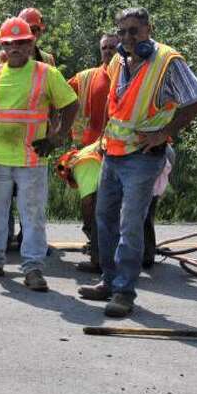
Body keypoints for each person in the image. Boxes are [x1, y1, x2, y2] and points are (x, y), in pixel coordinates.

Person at [78, 7, 197, 317]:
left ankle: (124, 292)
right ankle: (108, 281)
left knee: (130, 225)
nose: (127, 38)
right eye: (122, 32)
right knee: (104, 219)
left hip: (143, 157)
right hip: (113, 153)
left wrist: (165, 133)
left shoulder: (167, 61)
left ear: (149, 29)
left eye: (133, 31)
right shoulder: (119, 60)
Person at [0, 17, 77, 291]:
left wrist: (57, 136)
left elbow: (71, 103)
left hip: (31, 159)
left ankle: (33, 268)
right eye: (10, 43)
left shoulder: (46, 73)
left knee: (32, 215)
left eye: (22, 42)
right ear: (2, 45)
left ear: (32, 43)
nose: (15, 48)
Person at [59, 32, 117, 273]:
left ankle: (141, 254)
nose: (109, 51)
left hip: (122, 151)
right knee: (90, 203)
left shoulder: (133, 76)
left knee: (128, 207)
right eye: (105, 47)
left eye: (114, 47)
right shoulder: (85, 78)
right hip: (88, 155)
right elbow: (57, 97)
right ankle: (97, 254)